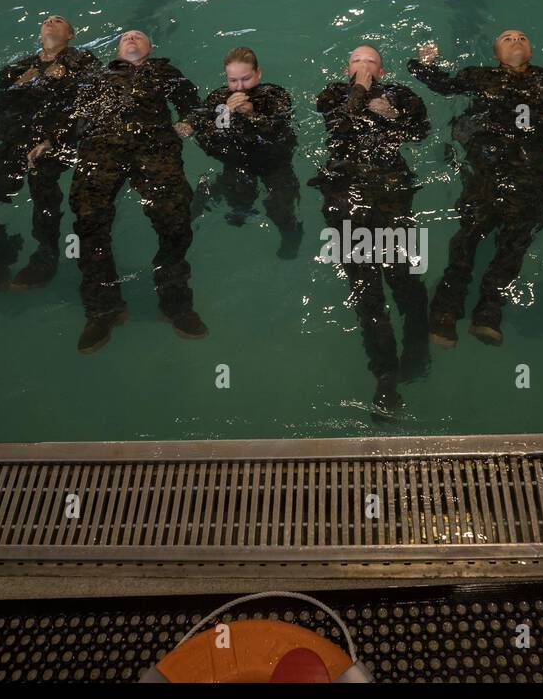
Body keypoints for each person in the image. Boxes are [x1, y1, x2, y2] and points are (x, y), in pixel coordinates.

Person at [408, 30, 543, 348]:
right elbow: (444, 86)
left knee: (515, 246)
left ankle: (488, 313)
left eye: (522, 37)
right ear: (495, 54)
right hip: (486, 166)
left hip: (529, 171)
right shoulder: (479, 75)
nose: (516, 40)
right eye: (507, 38)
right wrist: (426, 65)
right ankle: (444, 312)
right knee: (468, 239)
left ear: (531, 50)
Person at [29, 29, 205, 353]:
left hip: (155, 147)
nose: (132, 39)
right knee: (89, 224)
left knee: (175, 220)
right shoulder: (99, 76)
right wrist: (49, 139)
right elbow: (74, 115)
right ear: (117, 49)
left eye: (139, 36)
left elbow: (194, 105)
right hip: (100, 148)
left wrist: (189, 122)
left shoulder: (165, 72)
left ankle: (175, 302)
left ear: (150, 48)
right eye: (126, 37)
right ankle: (103, 309)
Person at [313, 44, 431, 420]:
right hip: (345, 192)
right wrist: (360, 93)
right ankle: (385, 376)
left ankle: (417, 350)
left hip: (392, 190)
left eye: (371, 62)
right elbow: (338, 128)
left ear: (382, 70)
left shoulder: (402, 94)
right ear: (347, 69)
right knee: (367, 290)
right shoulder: (334, 93)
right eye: (357, 62)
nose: (363, 66)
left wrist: (392, 116)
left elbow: (420, 133)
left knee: (405, 277)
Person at [0, 15, 99, 299]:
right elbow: (2, 101)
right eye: (46, 20)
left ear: (71, 35)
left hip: (56, 136)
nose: (50, 21)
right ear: (40, 34)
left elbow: (91, 100)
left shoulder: (82, 60)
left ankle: (46, 257)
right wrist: (21, 83)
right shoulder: (18, 66)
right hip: (17, 137)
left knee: (43, 194)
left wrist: (53, 139)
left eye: (59, 20)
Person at [191, 46, 302, 257]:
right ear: (226, 78)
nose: (239, 86)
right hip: (237, 163)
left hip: (275, 163)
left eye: (246, 78)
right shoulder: (218, 99)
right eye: (233, 81)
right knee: (238, 205)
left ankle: (290, 237)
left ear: (259, 73)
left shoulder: (275, 94)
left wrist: (252, 116)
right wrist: (226, 114)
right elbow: (208, 139)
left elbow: (279, 133)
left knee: (281, 210)